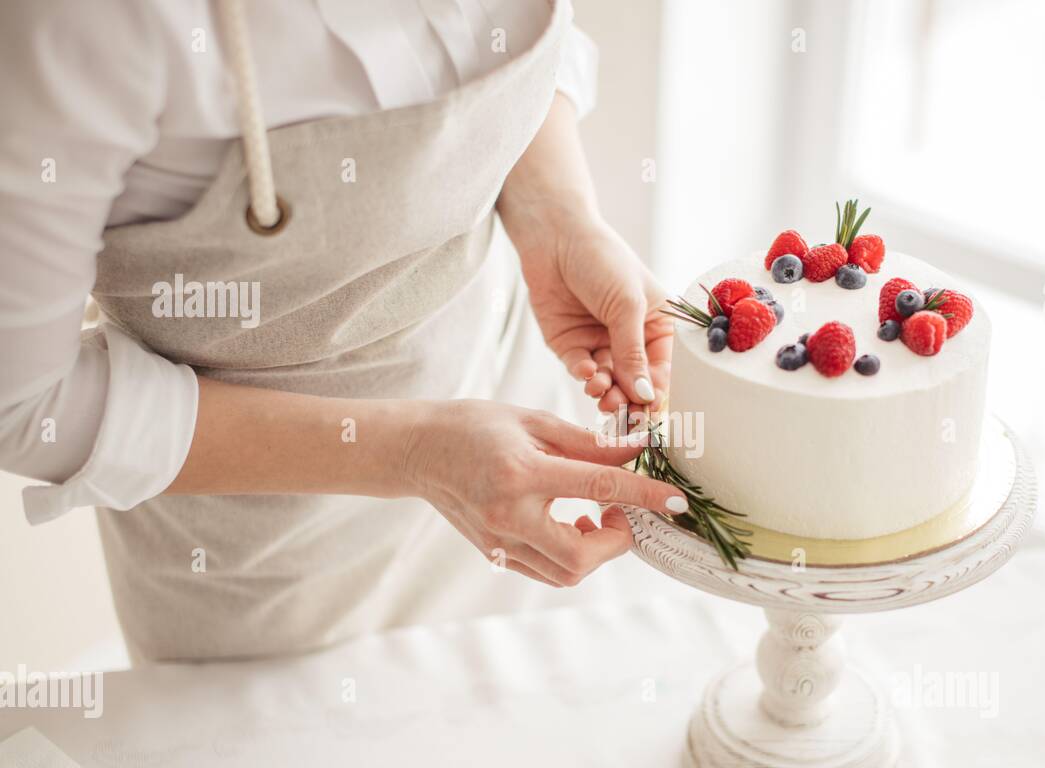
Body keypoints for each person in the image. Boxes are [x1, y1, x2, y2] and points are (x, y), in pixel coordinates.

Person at [0, 0, 683, 660]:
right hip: (267, 577)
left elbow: (514, 42)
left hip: (518, 434)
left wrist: (557, 217)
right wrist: (415, 453)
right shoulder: (73, 19)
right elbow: (22, 408)